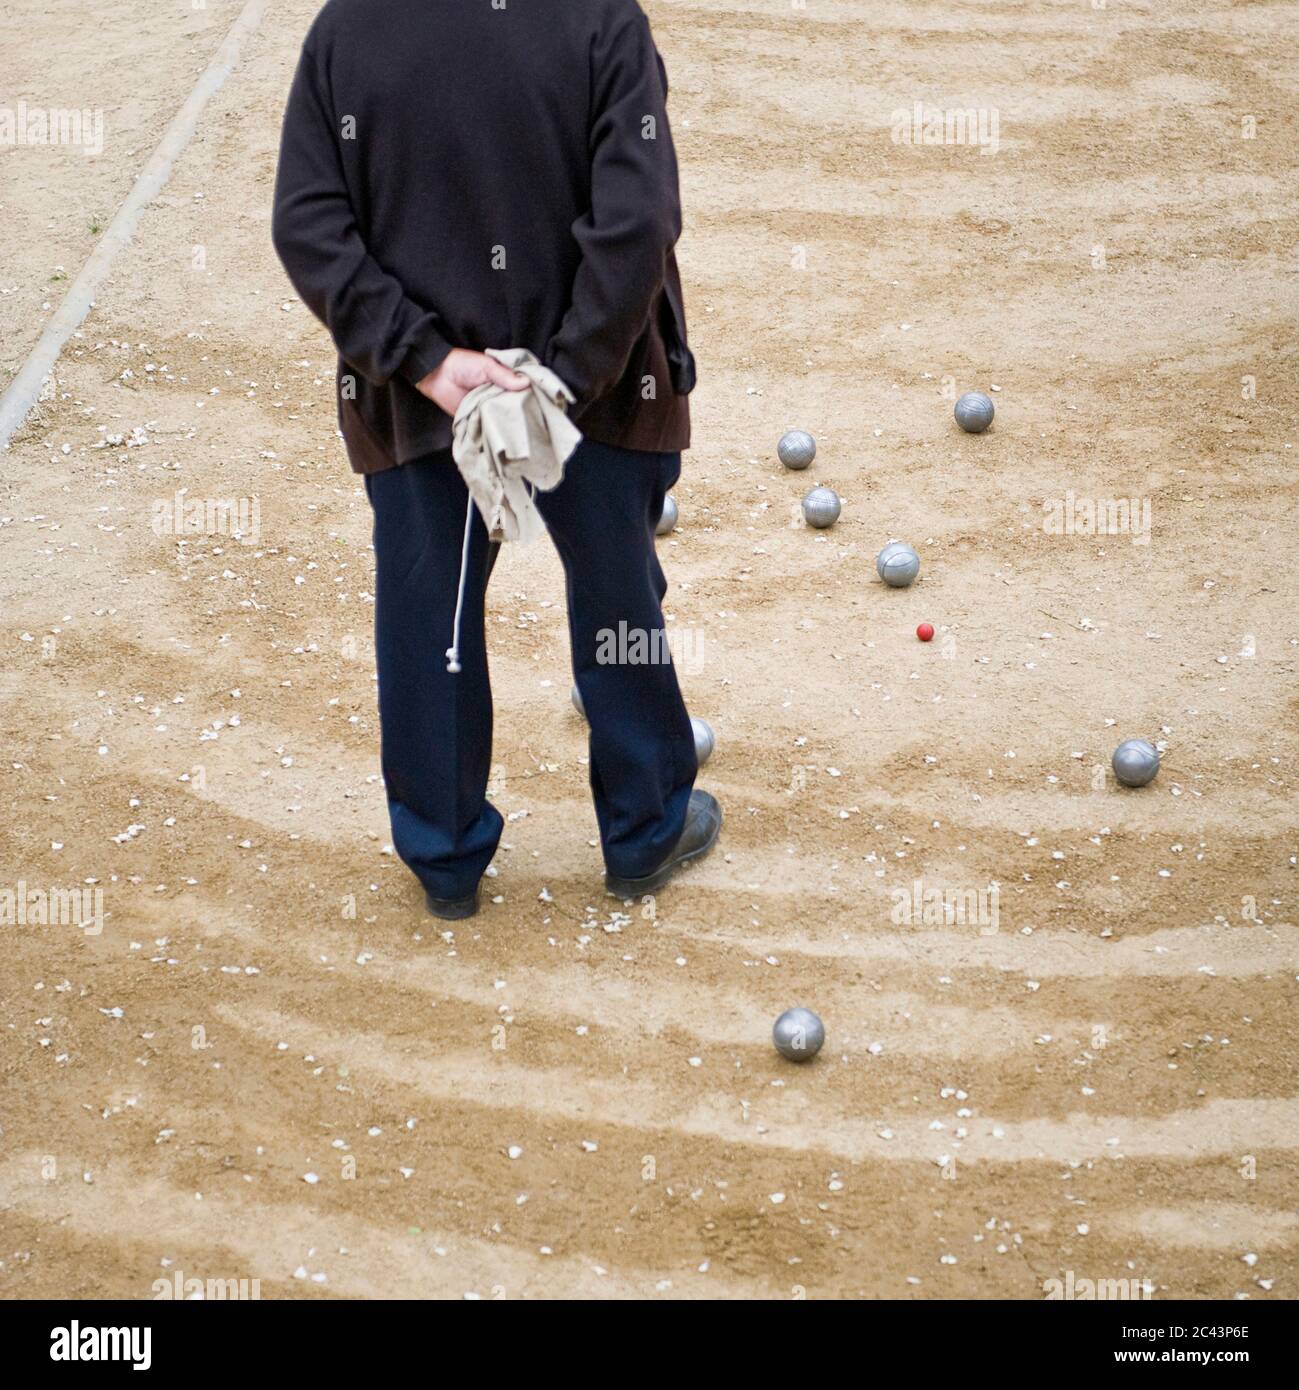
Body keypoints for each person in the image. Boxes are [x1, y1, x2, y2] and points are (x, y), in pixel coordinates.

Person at [271, 0, 721, 919]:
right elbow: (637, 221)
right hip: (591, 394)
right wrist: (564, 377)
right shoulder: (600, 19)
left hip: (420, 402)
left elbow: (310, 226)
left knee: (427, 620)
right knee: (617, 594)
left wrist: (428, 362)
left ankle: (443, 855)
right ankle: (643, 829)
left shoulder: (346, 29)